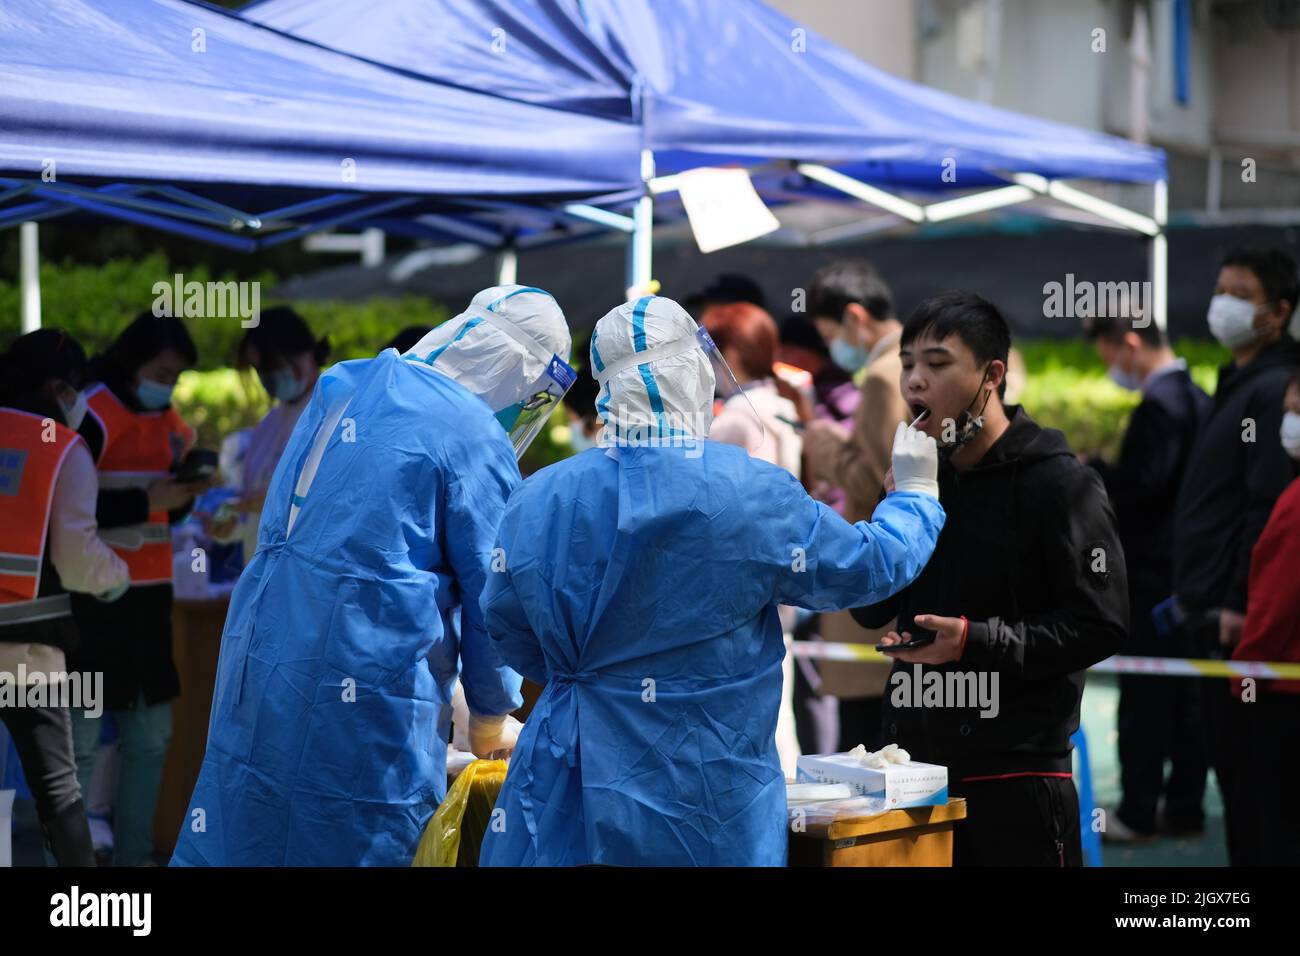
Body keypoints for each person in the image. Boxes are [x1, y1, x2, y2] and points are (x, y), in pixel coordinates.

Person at [478, 295, 945, 867]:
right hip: (707, 791)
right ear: (698, 375)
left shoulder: (539, 497)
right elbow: (864, 568)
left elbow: (506, 625)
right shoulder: (751, 492)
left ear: (605, 389)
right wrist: (916, 499)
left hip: (566, 780)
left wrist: (592, 676)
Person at [170, 285, 571, 866]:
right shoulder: (473, 434)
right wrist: (488, 718)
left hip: (262, 657)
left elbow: (349, 552)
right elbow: (493, 596)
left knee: (246, 821)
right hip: (363, 695)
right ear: (522, 375)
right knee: (349, 834)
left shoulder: (344, 384)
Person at [852, 291, 1128, 867]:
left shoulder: (1058, 483)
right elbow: (870, 612)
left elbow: (1100, 625)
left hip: (1016, 778)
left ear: (992, 375)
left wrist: (972, 641)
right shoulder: (921, 480)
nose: (915, 383)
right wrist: (894, 513)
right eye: (907, 364)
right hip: (912, 777)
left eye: (937, 363)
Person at [1170, 246, 1300, 865]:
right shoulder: (1239, 382)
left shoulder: (1274, 388)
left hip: (1241, 628)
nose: (1221, 303)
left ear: (1277, 313)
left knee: (1253, 793)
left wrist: (1237, 604)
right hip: (1215, 615)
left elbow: (1265, 507)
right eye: (1220, 288)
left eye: (1239, 293)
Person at [67, 312, 205, 866]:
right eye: (161, 371)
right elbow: (71, 502)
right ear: (133, 361)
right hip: (92, 600)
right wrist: (154, 498)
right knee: (78, 747)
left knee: (151, 739)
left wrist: (189, 490)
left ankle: (134, 860)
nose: (167, 383)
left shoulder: (171, 420)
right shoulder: (92, 413)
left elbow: (171, 503)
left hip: (150, 600)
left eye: (175, 375)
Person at [0, 330, 130, 866]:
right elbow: (77, 558)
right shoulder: (60, 446)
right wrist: (115, 575)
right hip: (27, 649)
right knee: (58, 792)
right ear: (59, 386)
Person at [1083, 313, 1211, 842]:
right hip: (1188, 578)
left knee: (1146, 699)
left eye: (1109, 356)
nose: (1112, 368)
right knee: (1187, 701)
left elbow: (1141, 490)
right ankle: (1184, 807)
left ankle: (1137, 811)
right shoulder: (1200, 398)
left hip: (1155, 577)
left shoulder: (1159, 407)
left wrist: (1095, 473)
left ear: (1128, 344)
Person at [802, 260, 910, 752]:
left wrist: (821, 442)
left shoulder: (885, 377)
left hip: (883, 590)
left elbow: (877, 484)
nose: (833, 349)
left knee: (867, 747)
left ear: (854, 317)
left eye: (829, 335)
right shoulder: (921, 361)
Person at [701, 301, 807, 777]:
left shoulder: (738, 417)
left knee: (757, 715)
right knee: (777, 704)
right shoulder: (783, 406)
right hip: (784, 570)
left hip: (738, 582)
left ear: (733, 355)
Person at [1231, 366, 1300, 863]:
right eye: (1289, 411)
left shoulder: (1294, 503)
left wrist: (1244, 674)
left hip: (1283, 694)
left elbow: (1276, 605)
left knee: (1273, 826)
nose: (1289, 422)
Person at [203, 306, 329, 560]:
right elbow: (254, 510)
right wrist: (229, 524)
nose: (266, 377)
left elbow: (327, 500)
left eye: (272, 366)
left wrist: (262, 503)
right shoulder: (269, 424)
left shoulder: (334, 410)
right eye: (258, 369)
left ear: (304, 353)